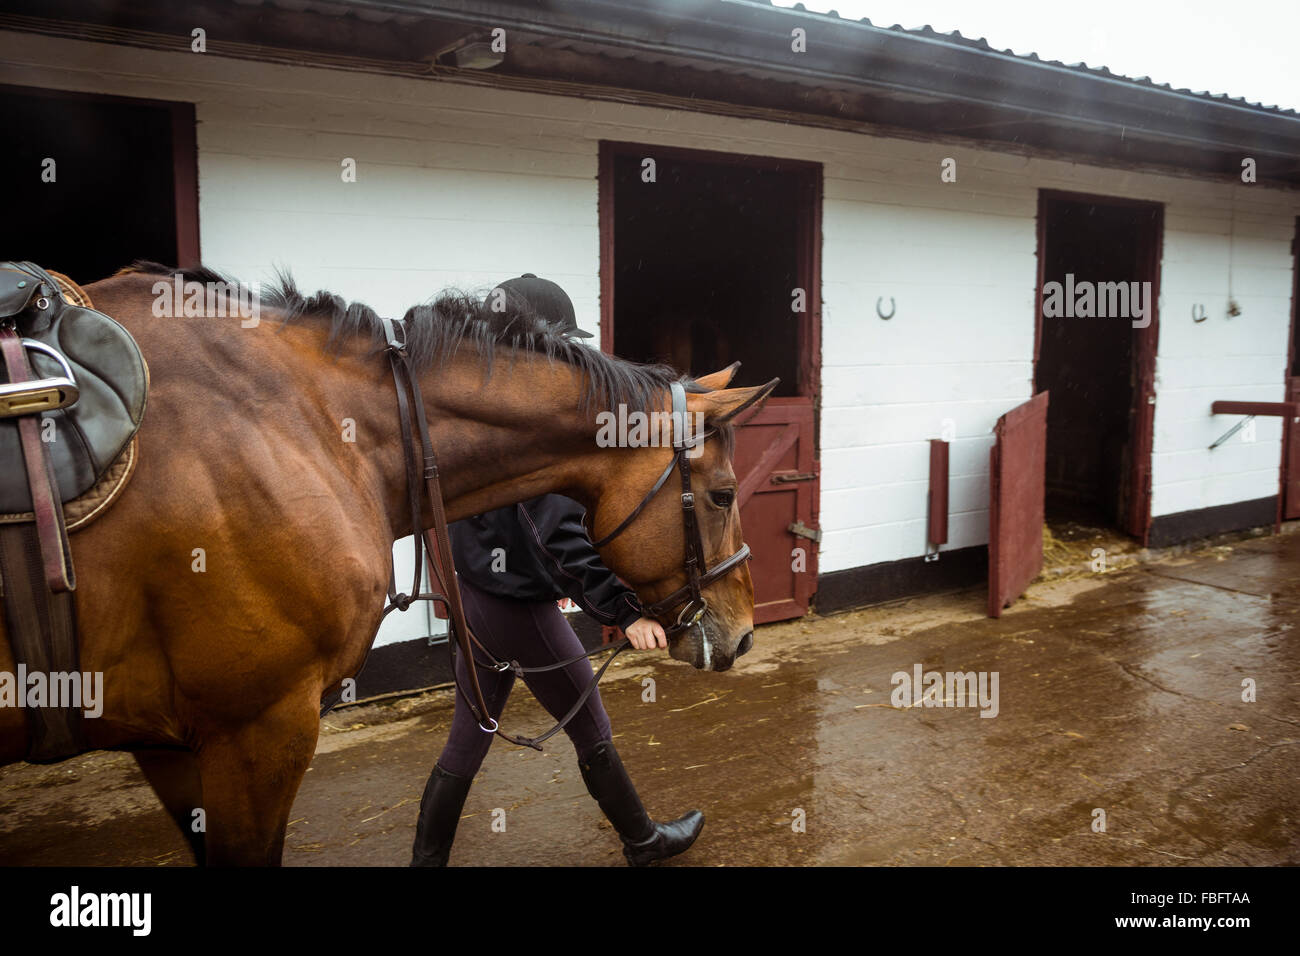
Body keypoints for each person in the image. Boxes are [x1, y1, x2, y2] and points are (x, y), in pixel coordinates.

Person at [410, 274, 705, 867]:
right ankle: (644, 843)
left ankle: (425, 863)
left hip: (473, 600)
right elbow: (559, 540)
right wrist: (624, 612)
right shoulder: (537, 430)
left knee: (468, 737)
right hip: (521, 610)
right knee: (590, 725)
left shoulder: (484, 412)